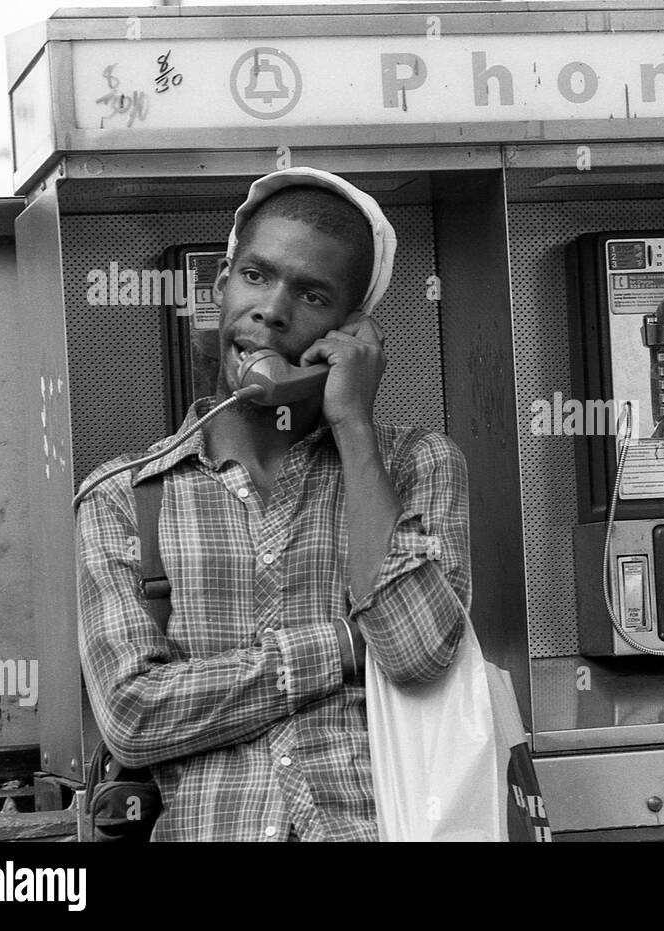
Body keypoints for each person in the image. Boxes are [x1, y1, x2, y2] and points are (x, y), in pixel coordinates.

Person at [76, 168, 470, 841]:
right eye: (256, 276)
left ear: (351, 332)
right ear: (223, 281)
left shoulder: (416, 466)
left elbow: (415, 655)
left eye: (311, 295)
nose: (273, 311)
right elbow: (133, 717)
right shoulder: (125, 494)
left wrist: (353, 428)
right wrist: (344, 646)